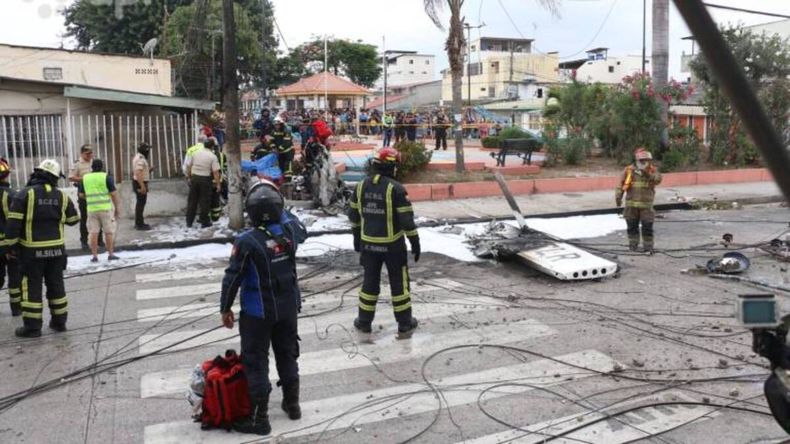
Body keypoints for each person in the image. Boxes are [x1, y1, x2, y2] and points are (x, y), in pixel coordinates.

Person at [220, 180, 307, 435]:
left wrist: (225, 308)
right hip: (288, 307)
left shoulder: (247, 241)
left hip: (258, 314)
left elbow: (232, 277)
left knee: (256, 362)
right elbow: (297, 223)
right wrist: (279, 208)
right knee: (287, 354)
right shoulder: (290, 230)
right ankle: (293, 405)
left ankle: (259, 420)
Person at [347, 147, 419, 338]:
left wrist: (356, 236)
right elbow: (406, 220)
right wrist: (415, 241)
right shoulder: (396, 189)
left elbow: (353, 214)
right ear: (392, 167)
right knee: (399, 285)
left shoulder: (361, 186)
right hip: (393, 246)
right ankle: (404, 323)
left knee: (369, 283)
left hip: (368, 245)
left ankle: (364, 322)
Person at [5, 159, 79, 337]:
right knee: (56, 286)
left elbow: (13, 223)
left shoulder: (25, 194)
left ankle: (32, 327)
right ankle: (59, 323)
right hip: (56, 252)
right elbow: (73, 220)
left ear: (37, 173)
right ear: (54, 177)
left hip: (31, 252)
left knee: (31, 288)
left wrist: (11, 246)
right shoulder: (61, 196)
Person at [616, 148, 662, 254]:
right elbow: (620, 185)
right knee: (632, 227)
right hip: (631, 206)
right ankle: (633, 246)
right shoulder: (628, 170)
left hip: (646, 207)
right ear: (637, 160)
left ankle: (648, 248)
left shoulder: (652, 170)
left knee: (647, 228)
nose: (645, 162)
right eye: (642, 160)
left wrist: (646, 173)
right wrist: (618, 197)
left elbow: (657, 180)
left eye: (647, 160)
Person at [78, 159, 121, 262]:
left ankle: (94, 256)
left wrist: (90, 198)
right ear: (102, 167)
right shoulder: (106, 177)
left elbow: (81, 194)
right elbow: (114, 194)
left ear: (92, 167)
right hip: (105, 209)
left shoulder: (85, 178)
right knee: (108, 232)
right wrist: (117, 208)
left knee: (93, 233)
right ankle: (110, 254)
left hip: (92, 209)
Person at [68, 144, 101, 250]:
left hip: (95, 192)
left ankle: (99, 240)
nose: (90, 155)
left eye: (91, 153)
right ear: (82, 153)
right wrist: (85, 179)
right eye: (87, 154)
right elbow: (71, 177)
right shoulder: (77, 164)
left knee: (98, 217)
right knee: (85, 218)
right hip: (84, 193)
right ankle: (84, 241)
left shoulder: (93, 162)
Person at [0, 158, 21, 316]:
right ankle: (16, 308)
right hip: (10, 244)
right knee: (15, 278)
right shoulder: (12, 195)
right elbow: (15, 222)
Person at [185, 138, 221, 228]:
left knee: (192, 201)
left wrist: (189, 177)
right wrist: (218, 184)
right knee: (204, 201)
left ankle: (189, 222)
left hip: (194, 178)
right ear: (212, 146)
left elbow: (189, 167)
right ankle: (204, 222)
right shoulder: (212, 156)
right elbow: (215, 172)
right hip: (205, 180)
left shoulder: (195, 153)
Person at [133, 143, 152, 230]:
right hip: (139, 183)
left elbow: (141, 171)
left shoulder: (138, 157)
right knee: (140, 204)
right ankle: (139, 225)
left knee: (140, 203)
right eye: (148, 150)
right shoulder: (141, 159)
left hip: (138, 182)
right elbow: (138, 172)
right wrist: (142, 186)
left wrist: (149, 170)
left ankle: (139, 222)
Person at [210, 139, 227, 221]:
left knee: (210, 198)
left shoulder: (209, 155)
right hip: (219, 180)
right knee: (216, 199)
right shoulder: (222, 155)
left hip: (210, 180)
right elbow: (225, 167)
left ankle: (211, 215)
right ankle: (216, 216)